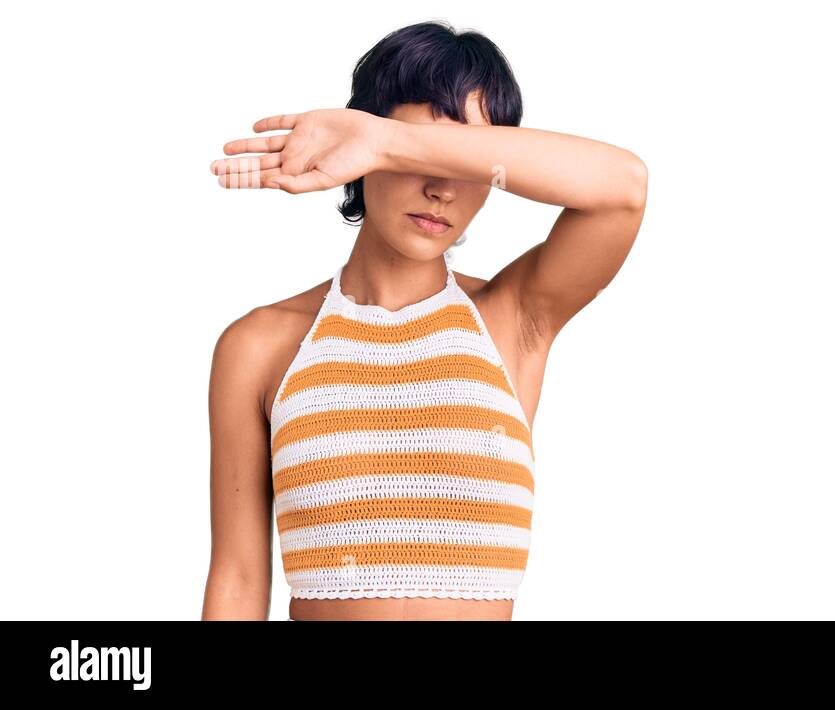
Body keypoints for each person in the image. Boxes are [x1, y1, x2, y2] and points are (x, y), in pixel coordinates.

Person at [200, 20, 648, 621]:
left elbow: (623, 187)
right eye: (417, 149)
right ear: (354, 150)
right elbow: (237, 580)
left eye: (467, 160)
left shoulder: (513, 318)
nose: (443, 189)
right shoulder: (259, 345)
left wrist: (392, 144)